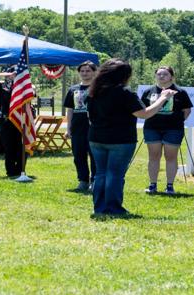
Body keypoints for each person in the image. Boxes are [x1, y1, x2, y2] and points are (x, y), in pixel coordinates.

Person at [86, 58, 177, 217]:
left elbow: (89, 115)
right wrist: (164, 98)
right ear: (124, 75)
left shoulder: (94, 90)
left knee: (100, 174)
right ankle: (114, 208)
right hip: (120, 140)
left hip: (96, 138)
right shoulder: (125, 92)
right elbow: (145, 114)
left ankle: (99, 208)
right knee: (115, 174)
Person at [140, 66, 192, 195]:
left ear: (172, 77)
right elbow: (142, 109)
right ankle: (153, 185)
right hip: (152, 128)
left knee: (171, 157)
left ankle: (170, 186)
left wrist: (176, 121)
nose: (161, 76)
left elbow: (187, 110)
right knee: (154, 156)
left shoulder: (180, 92)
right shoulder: (148, 91)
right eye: (159, 74)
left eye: (165, 74)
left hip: (173, 129)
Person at [0, 70, 29, 182]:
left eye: (16, 73)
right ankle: (11, 171)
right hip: (6, 120)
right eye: (11, 73)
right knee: (9, 147)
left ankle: (20, 170)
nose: (13, 75)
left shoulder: (24, 86)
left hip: (21, 120)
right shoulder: (1, 86)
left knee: (22, 147)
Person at [63, 60, 98, 193]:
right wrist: (68, 128)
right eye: (82, 71)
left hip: (94, 128)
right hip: (77, 128)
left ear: (94, 72)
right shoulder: (73, 89)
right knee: (78, 155)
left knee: (94, 155)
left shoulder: (98, 88)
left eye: (88, 70)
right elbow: (70, 110)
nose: (85, 73)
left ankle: (95, 181)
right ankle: (83, 181)